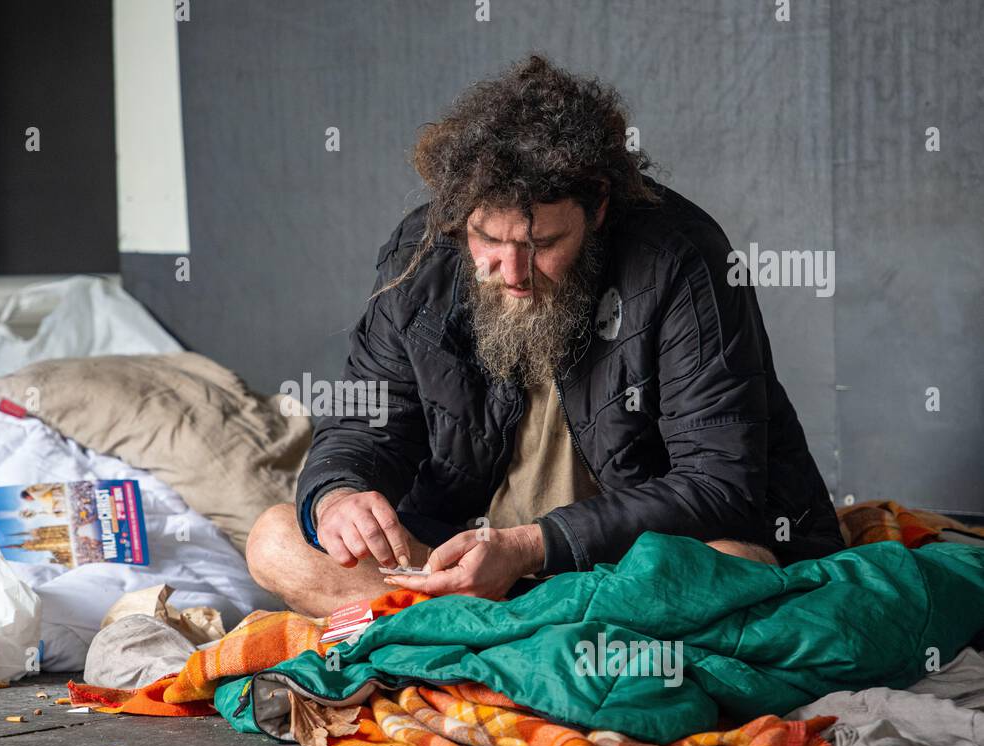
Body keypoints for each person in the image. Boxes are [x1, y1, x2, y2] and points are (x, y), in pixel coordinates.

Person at [247, 55, 843, 617]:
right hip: (463, 565)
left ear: (599, 207)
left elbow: (720, 485)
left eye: (541, 245)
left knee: (730, 566)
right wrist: (339, 495)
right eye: (486, 239)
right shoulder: (420, 255)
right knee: (274, 541)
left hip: (621, 567)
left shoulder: (681, 258)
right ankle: (515, 631)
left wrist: (533, 546)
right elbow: (368, 420)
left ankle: (473, 632)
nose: (510, 271)